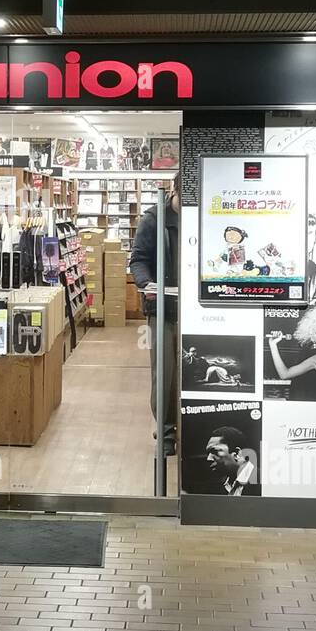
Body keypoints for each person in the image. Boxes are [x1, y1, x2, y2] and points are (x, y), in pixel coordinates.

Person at [130, 186, 180, 457]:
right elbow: (137, 259)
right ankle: (166, 430)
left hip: (197, 311)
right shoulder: (153, 220)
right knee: (164, 373)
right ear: (174, 192)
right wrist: (146, 283)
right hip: (162, 308)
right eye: (183, 199)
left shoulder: (199, 215)